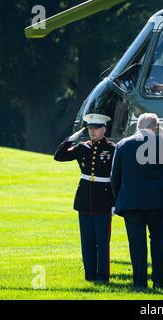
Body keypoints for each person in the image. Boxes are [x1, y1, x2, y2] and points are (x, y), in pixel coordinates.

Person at [111, 113, 163, 289]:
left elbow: (115, 177)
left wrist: (117, 200)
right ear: (155, 127)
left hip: (131, 201)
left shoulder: (123, 144)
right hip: (157, 201)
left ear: (138, 126)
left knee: (136, 242)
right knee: (158, 239)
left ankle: (139, 282)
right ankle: (158, 281)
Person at [54, 113, 115, 283]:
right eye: (89, 128)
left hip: (103, 200)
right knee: (86, 241)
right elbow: (58, 157)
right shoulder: (82, 147)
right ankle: (90, 275)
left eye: (96, 128)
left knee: (102, 243)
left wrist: (115, 203)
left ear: (104, 129)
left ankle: (102, 276)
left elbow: (117, 177)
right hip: (84, 200)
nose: (92, 131)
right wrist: (70, 139)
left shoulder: (112, 149)